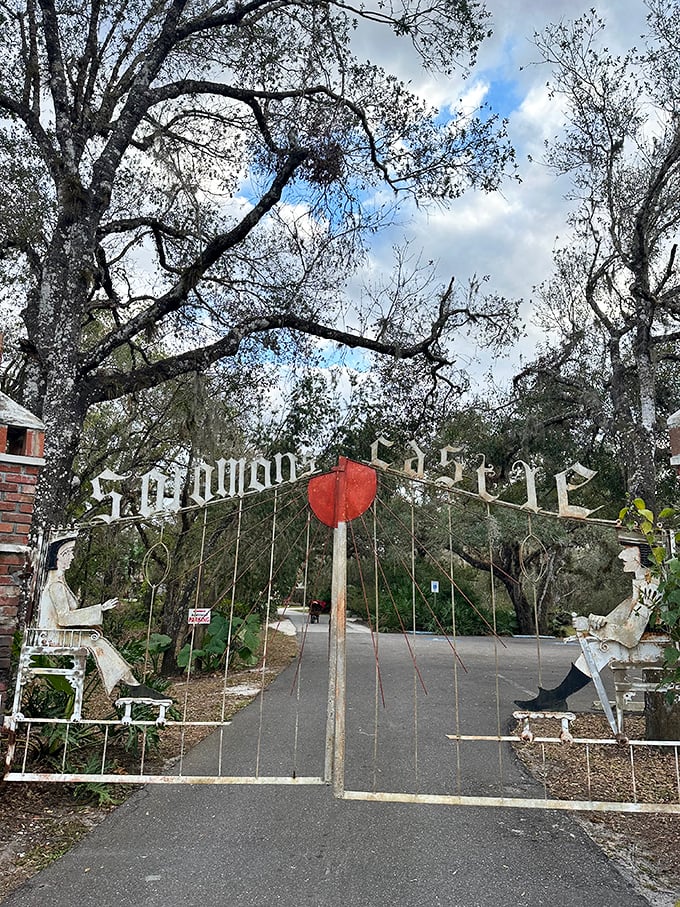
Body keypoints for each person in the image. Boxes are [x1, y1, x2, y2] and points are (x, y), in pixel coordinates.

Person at [515, 531, 660, 711]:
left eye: (628, 549)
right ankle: (556, 697)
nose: (621, 555)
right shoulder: (642, 584)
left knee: (598, 649)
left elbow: (630, 635)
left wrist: (592, 626)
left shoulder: (652, 586)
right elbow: (620, 616)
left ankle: (556, 698)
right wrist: (598, 622)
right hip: (650, 642)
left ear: (643, 553)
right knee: (594, 646)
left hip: (657, 646)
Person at [37, 535, 169, 702]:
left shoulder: (60, 583)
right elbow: (63, 618)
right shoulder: (56, 585)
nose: (72, 557)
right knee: (98, 642)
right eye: (69, 552)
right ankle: (132, 685)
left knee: (99, 640)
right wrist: (100, 608)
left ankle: (133, 684)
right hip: (54, 636)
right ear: (59, 556)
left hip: (61, 633)